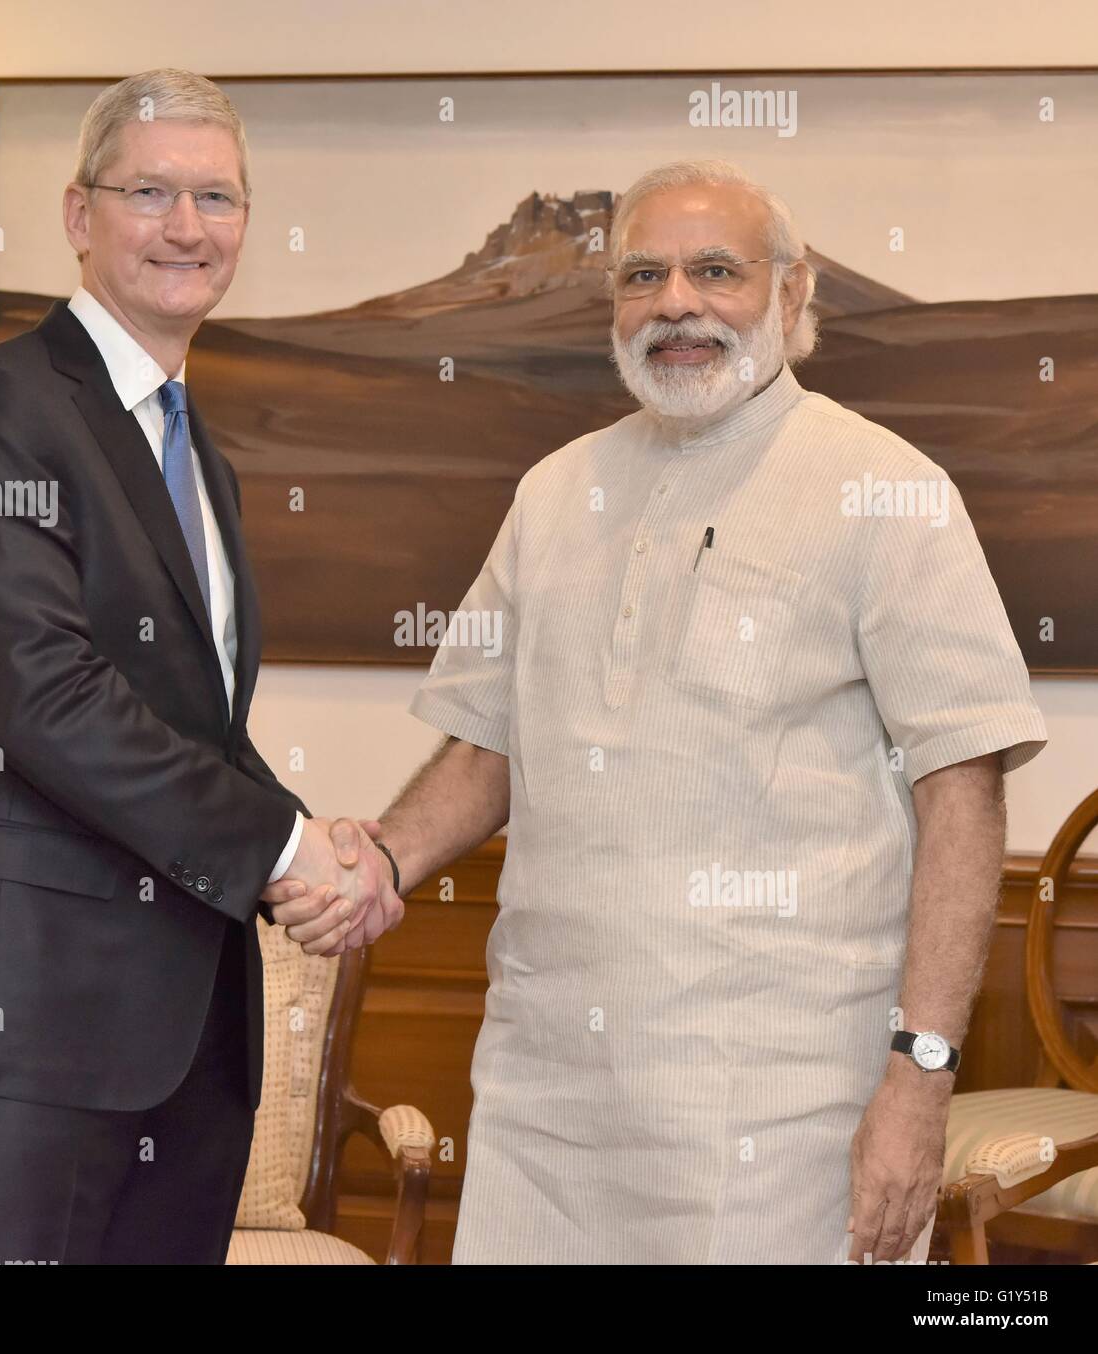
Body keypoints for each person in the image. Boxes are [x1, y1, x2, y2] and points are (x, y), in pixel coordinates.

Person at [268, 158, 1048, 1264]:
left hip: (783, 1113)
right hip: (550, 1100)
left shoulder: (888, 492)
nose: (675, 301)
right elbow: (489, 744)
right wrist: (383, 861)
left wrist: (918, 1082)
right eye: (643, 275)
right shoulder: (552, 493)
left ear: (791, 293)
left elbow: (961, 786)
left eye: (714, 270)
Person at [0, 67, 398, 1265]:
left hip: (188, 1045)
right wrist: (289, 850)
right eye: (150, 192)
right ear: (77, 215)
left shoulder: (190, 445)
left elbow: (194, 727)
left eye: (217, 198)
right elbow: (47, 700)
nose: (187, 227)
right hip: (29, 1044)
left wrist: (322, 845)